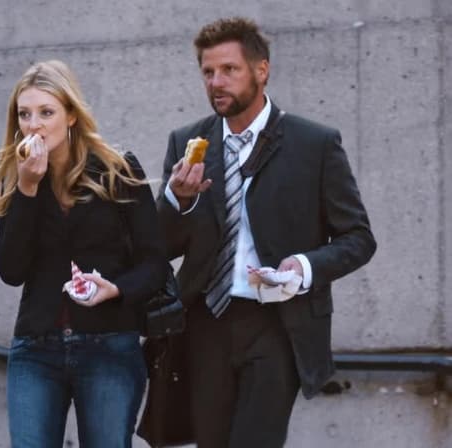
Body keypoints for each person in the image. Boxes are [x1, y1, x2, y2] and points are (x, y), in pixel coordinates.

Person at [156, 17, 377, 447]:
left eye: (229, 70)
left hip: (278, 322)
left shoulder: (314, 144)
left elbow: (358, 238)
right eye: (208, 72)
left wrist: (305, 266)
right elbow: (162, 245)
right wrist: (178, 200)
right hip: (204, 322)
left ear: (261, 70)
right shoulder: (187, 143)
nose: (216, 82)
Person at [0, 59, 167, 447]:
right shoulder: (19, 178)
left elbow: (155, 263)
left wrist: (116, 289)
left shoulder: (116, 169)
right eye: (24, 114)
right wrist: (27, 189)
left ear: (70, 115)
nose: (33, 125)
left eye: (46, 112)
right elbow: (11, 270)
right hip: (36, 350)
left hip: (109, 345)